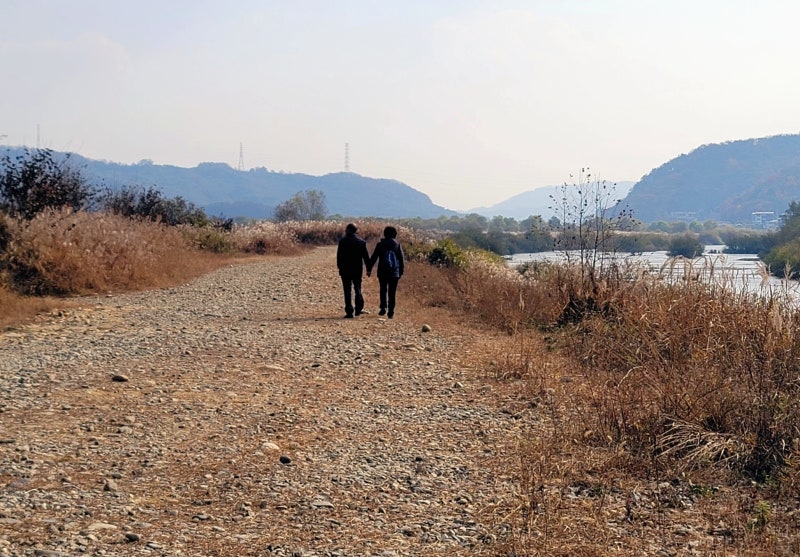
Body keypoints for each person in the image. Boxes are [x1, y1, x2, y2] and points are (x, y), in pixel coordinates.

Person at [368, 226, 404, 319]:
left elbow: (374, 258)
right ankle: (391, 311)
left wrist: (369, 269)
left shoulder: (380, 245)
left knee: (383, 289)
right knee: (392, 292)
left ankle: (383, 307)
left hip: (382, 272)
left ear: (385, 234)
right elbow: (401, 260)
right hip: (394, 272)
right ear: (395, 235)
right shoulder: (397, 245)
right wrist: (401, 272)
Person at [336, 223, 371, 318]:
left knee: (347, 290)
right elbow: (366, 258)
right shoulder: (361, 242)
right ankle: (358, 309)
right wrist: (368, 269)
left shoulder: (342, 241)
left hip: (345, 269)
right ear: (356, 231)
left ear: (347, 230)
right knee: (357, 288)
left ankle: (349, 311)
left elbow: (339, 257)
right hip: (357, 269)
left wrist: (339, 267)